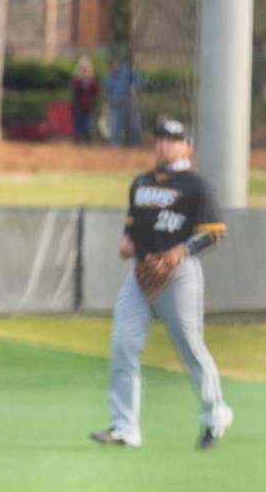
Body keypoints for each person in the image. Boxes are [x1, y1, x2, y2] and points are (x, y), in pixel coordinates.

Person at [92, 116, 232, 450]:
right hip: (141, 273)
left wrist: (181, 250)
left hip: (179, 276)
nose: (163, 144)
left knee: (189, 347)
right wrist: (127, 241)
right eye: (160, 138)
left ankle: (216, 415)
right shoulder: (140, 183)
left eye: (172, 139)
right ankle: (125, 428)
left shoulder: (197, 185)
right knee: (123, 345)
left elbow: (215, 232)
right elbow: (132, 222)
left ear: (188, 146)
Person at [104, 56, 142, 146]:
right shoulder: (108, 78)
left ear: (117, 64)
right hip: (116, 106)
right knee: (115, 129)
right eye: (110, 65)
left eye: (114, 64)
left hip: (130, 105)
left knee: (134, 127)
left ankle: (135, 146)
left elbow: (139, 77)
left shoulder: (127, 72)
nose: (113, 67)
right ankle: (114, 147)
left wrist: (134, 86)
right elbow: (108, 93)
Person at [70, 55, 100, 145]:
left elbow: (97, 90)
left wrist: (89, 82)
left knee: (88, 125)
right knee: (78, 125)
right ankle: (77, 141)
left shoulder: (93, 80)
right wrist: (82, 82)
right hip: (78, 106)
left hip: (88, 107)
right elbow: (75, 90)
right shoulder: (76, 80)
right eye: (83, 69)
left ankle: (88, 142)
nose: (84, 71)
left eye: (86, 69)